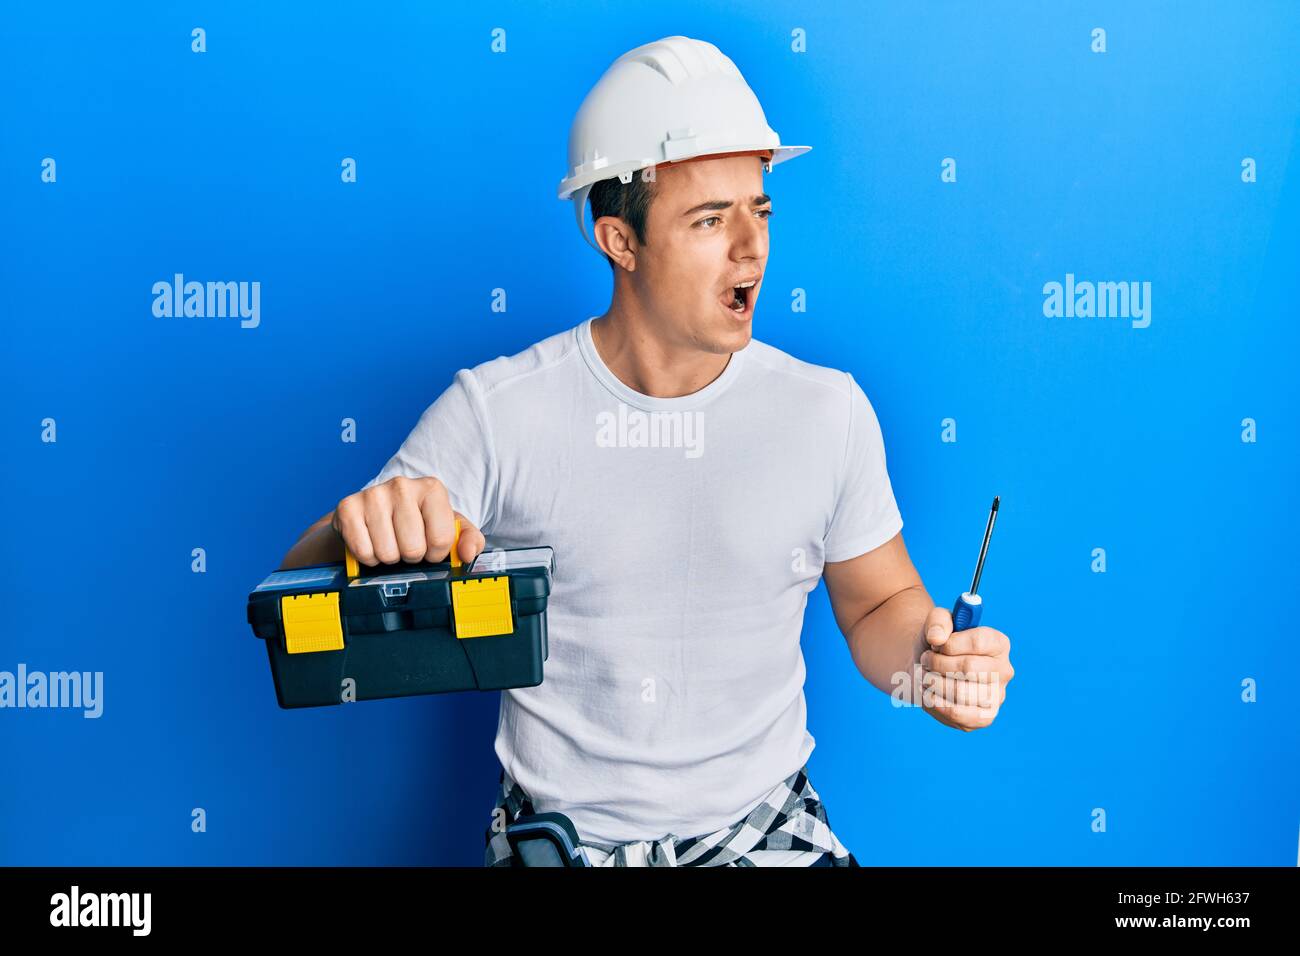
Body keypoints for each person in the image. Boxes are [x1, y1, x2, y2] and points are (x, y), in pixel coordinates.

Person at [279, 36, 1015, 867]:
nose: (752, 247)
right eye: (709, 219)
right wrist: (359, 533)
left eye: (760, 209)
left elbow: (878, 605)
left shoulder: (827, 412)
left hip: (765, 831)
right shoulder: (497, 412)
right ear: (617, 240)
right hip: (562, 845)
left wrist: (931, 660)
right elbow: (298, 594)